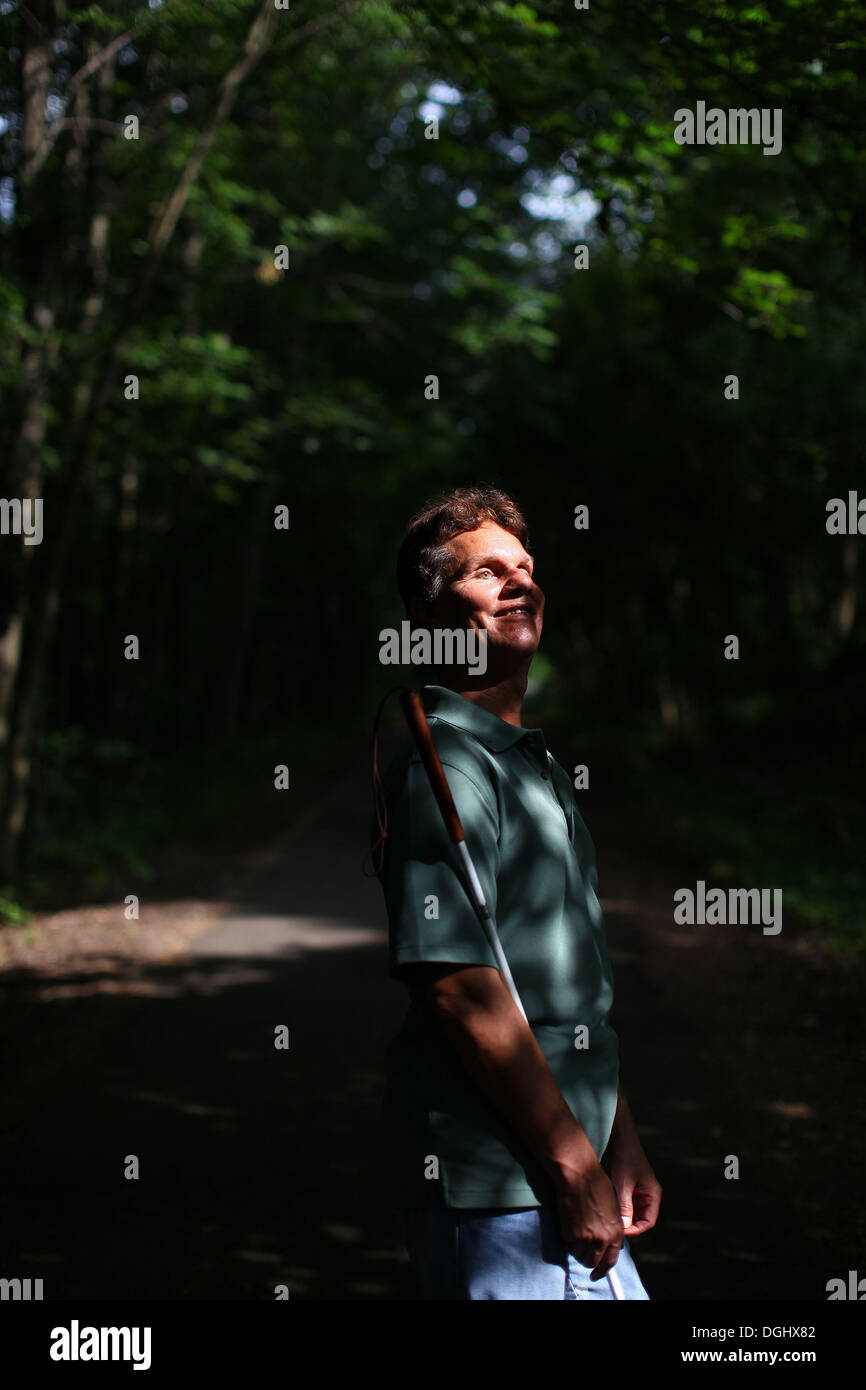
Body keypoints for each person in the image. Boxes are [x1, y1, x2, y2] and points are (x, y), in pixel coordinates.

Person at [374, 486, 661, 1300]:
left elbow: (564, 988)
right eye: (486, 572)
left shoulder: (526, 761)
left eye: (526, 568)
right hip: (499, 1187)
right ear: (431, 615)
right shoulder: (447, 768)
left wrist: (616, 1139)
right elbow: (462, 989)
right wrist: (575, 1164)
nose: (519, 583)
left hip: (566, 1162)